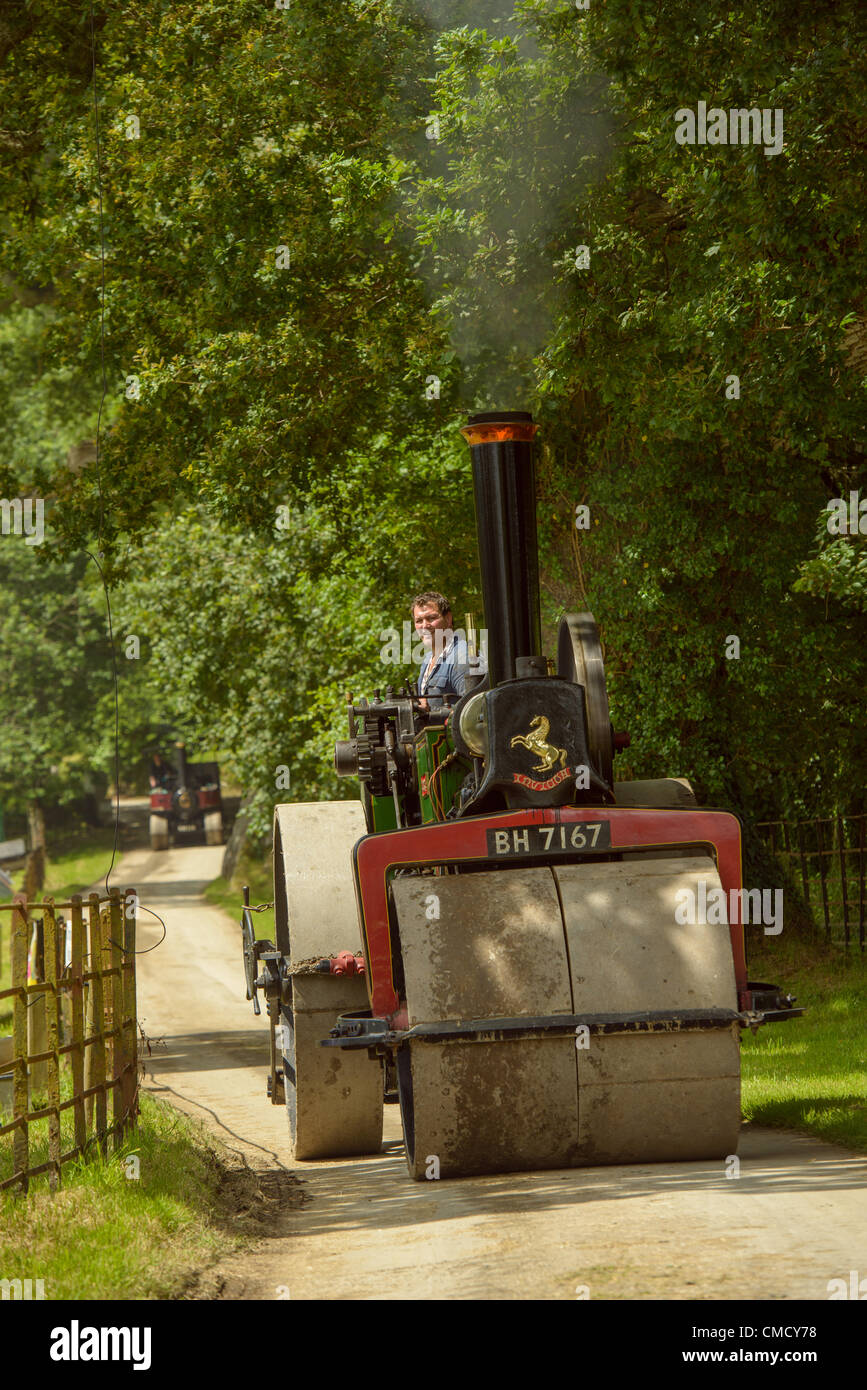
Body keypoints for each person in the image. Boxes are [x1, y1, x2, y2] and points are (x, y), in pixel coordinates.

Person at [411, 591, 479, 709]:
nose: (424, 626)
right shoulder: (427, 660)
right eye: (419, 621)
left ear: (448, 619)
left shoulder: (462, 656)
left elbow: (473, 712)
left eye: (431, 618)